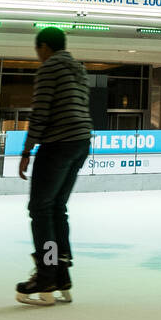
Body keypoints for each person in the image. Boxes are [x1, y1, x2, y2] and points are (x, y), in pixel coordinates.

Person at [16, 27, 93, 305]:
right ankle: (61, 272)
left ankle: (46, 272)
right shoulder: (78, 69)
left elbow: (41, 111)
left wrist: (26, 150)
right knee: (57, 207)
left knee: (40, 208)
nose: (38, 57)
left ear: (45, 47)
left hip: (58, 144)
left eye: (38, 51)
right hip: (81, 142)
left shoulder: (49, 69)